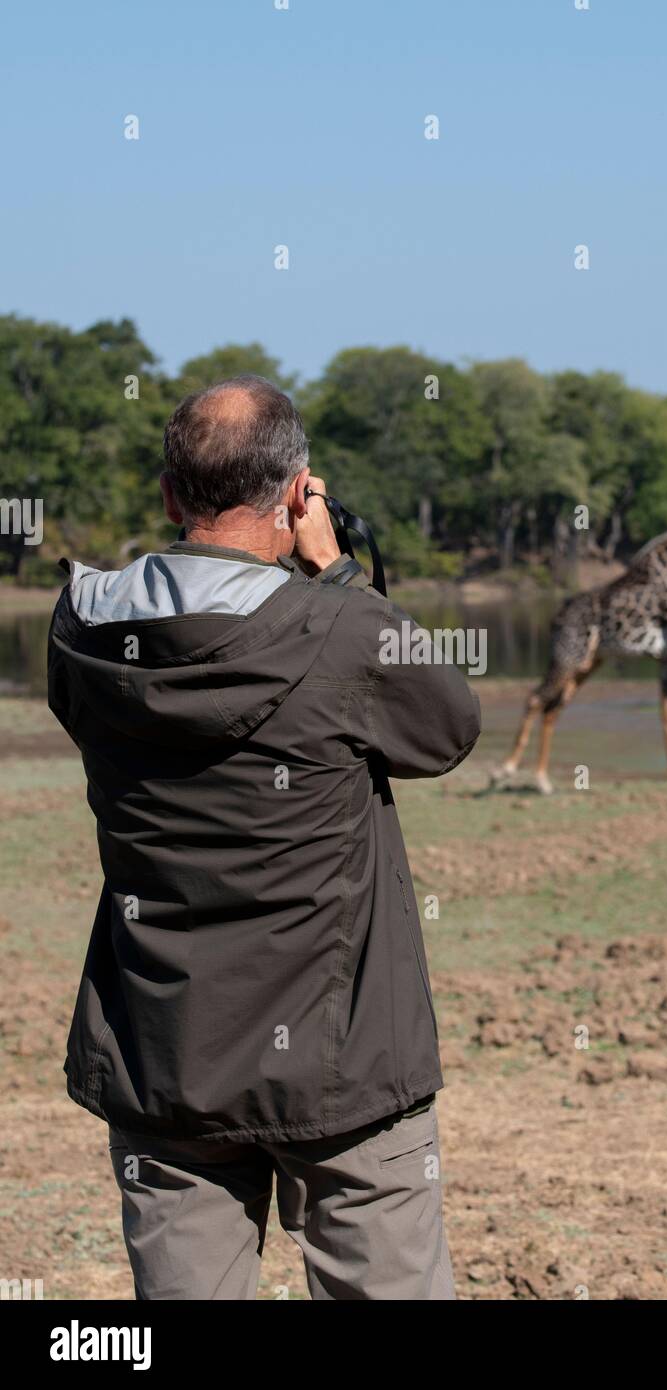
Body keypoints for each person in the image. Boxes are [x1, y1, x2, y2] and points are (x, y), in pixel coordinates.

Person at [47, 375, 481, 1300]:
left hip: (165, 1057)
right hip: (341, 1062)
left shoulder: (80, 626)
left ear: (170, 496)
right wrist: (342, 574)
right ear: (296, 493)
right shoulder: (340, 626)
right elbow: (448, 731)